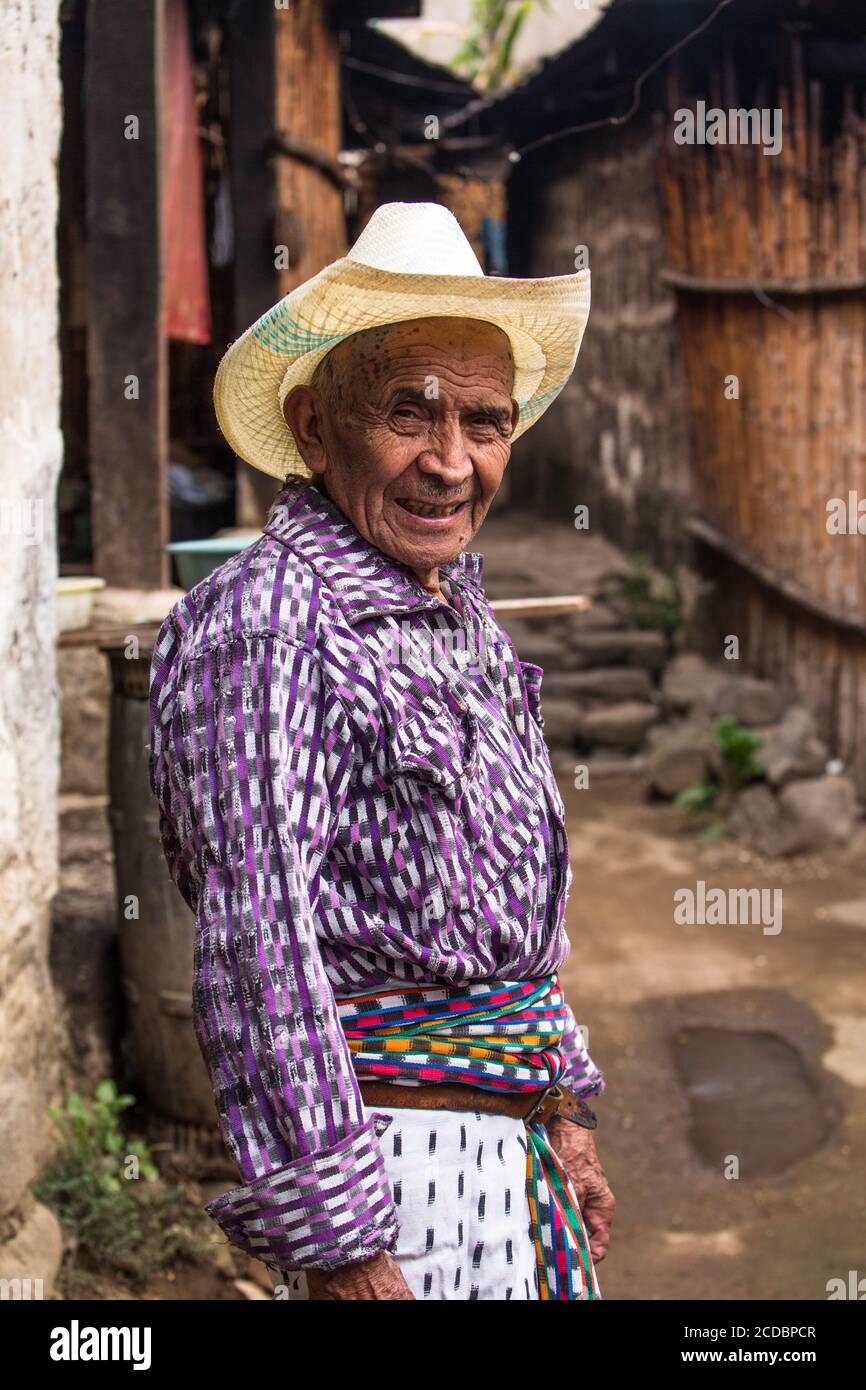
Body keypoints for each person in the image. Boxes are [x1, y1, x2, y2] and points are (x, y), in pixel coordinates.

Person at [149, 202, 615, 1301]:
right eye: (409, 413)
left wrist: (561, 1109)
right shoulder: (267, 626)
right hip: (397, 1175)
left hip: (510, 1156)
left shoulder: (449, 608)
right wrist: (348, 1249)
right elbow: (261, 956)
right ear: (315, 428)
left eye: (484, 422)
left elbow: (509, 926)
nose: (449, 462)